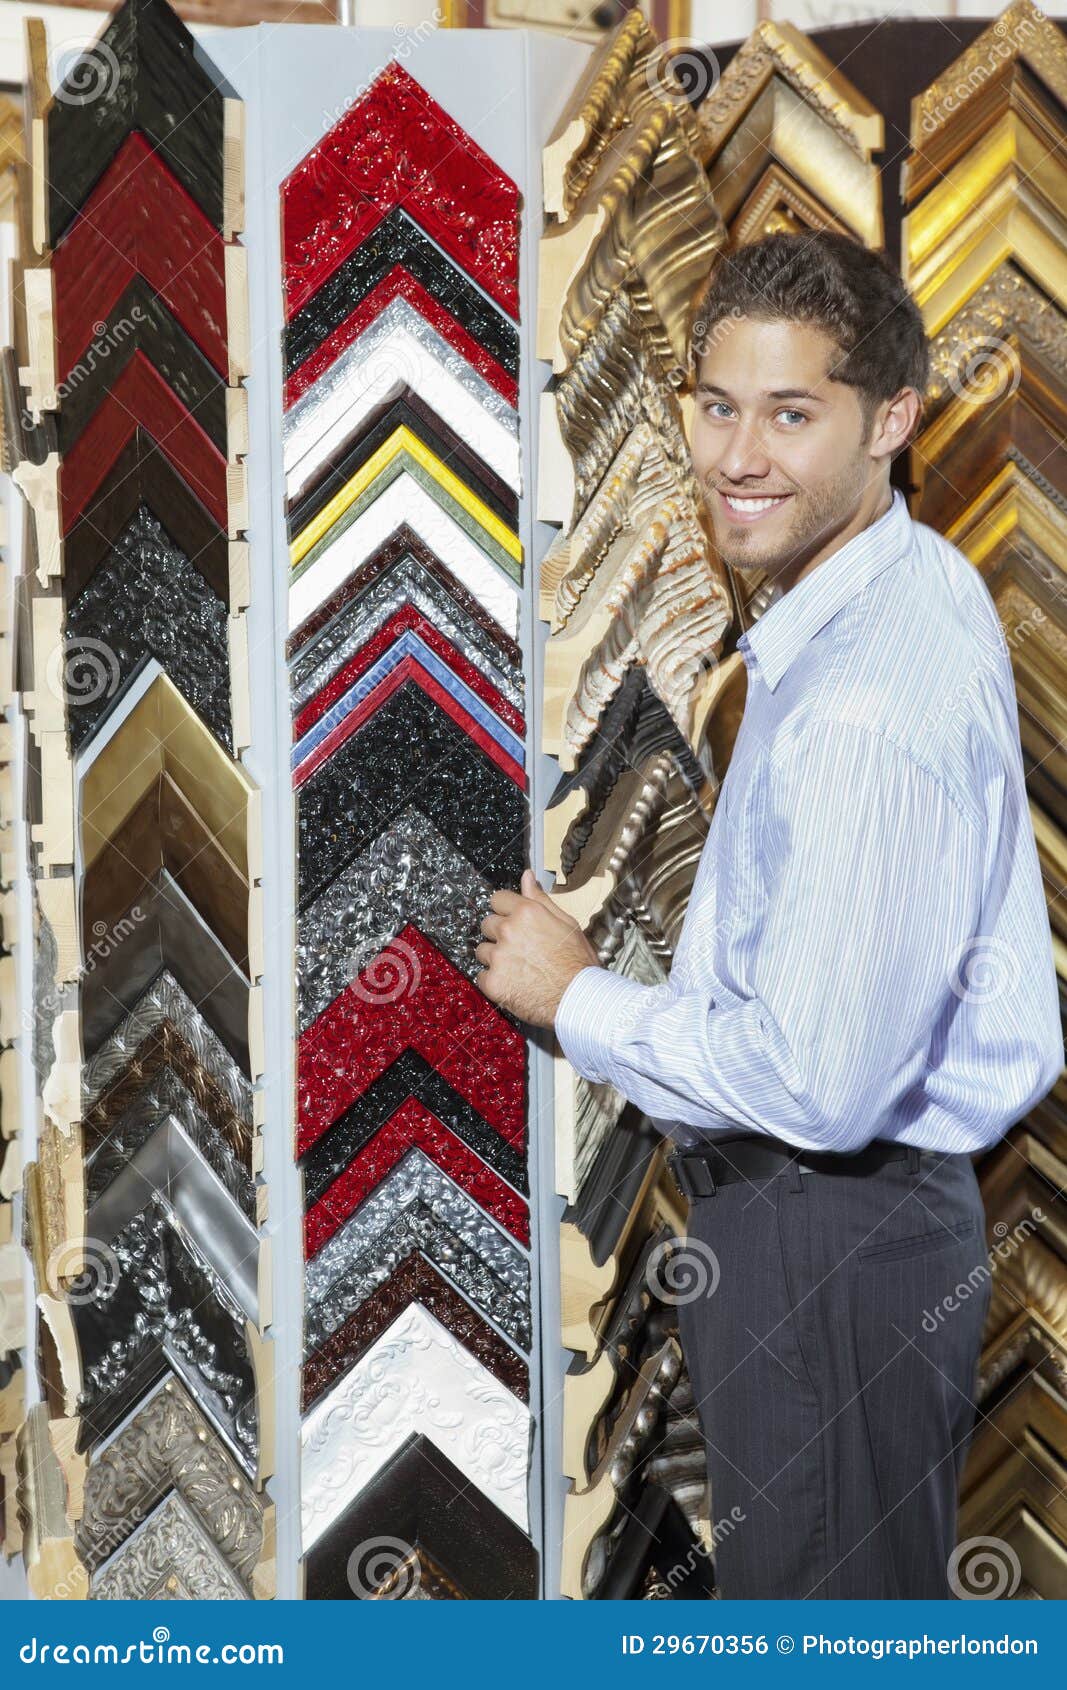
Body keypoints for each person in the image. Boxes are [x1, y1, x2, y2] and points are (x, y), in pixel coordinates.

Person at [473, 230, 1063, 1599]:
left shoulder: (861, 705)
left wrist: (577, 998)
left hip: (827, 1235)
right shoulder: (907, 587)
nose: (738, 455)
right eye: (717, 403)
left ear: (893, 420)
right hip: (851, 1239)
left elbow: (818, 1081)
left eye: (791, 414)